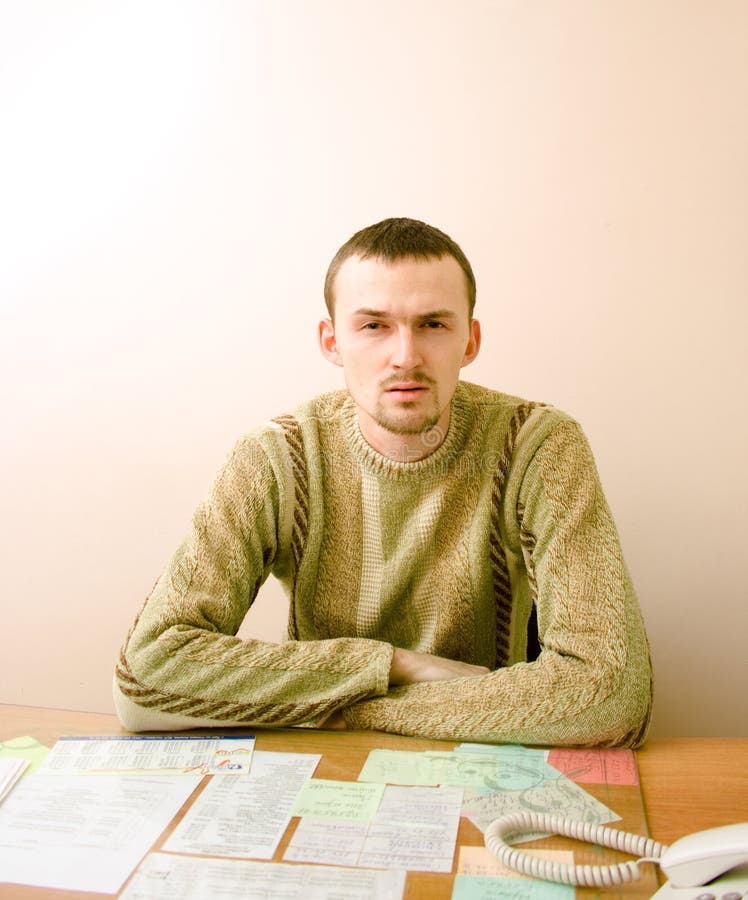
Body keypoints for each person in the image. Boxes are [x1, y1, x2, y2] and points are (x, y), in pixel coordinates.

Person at [114, 217, 653, 747]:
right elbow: (146, 675)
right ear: (331, 341)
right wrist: (393, 664)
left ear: (470, 340)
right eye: (374, 326)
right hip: (323, 769)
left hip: (483, 757)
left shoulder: (538, 445)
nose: (405, 357)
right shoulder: (273, 458)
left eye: (433, 324)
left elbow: (612, 696)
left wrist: (341, 710)